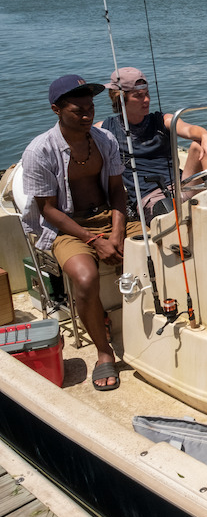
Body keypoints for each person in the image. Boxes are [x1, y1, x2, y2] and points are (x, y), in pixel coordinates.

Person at [20, 75, 144, 391]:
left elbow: (118, 191)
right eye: (78, 110)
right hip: (67, 227)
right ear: (56, 110)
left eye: (90, 108)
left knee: (162, 247)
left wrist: (116, 235)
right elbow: (49, 210)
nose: (87, 115)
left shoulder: (105, 140)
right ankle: (104, 353)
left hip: (109, 217)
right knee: (86, 278)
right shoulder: (40, 151)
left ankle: (147, 323)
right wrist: (94, 241)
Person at [97, 67, 207, 224]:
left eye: (147, 94)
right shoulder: (105, 129)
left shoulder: (163, 120)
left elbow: (189, 129)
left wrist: (206, 135)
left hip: (182, 186)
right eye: (139, 96)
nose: (147, 100)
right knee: (169, 212)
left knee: (200, 145)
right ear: (120, 100)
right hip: (152, 199)